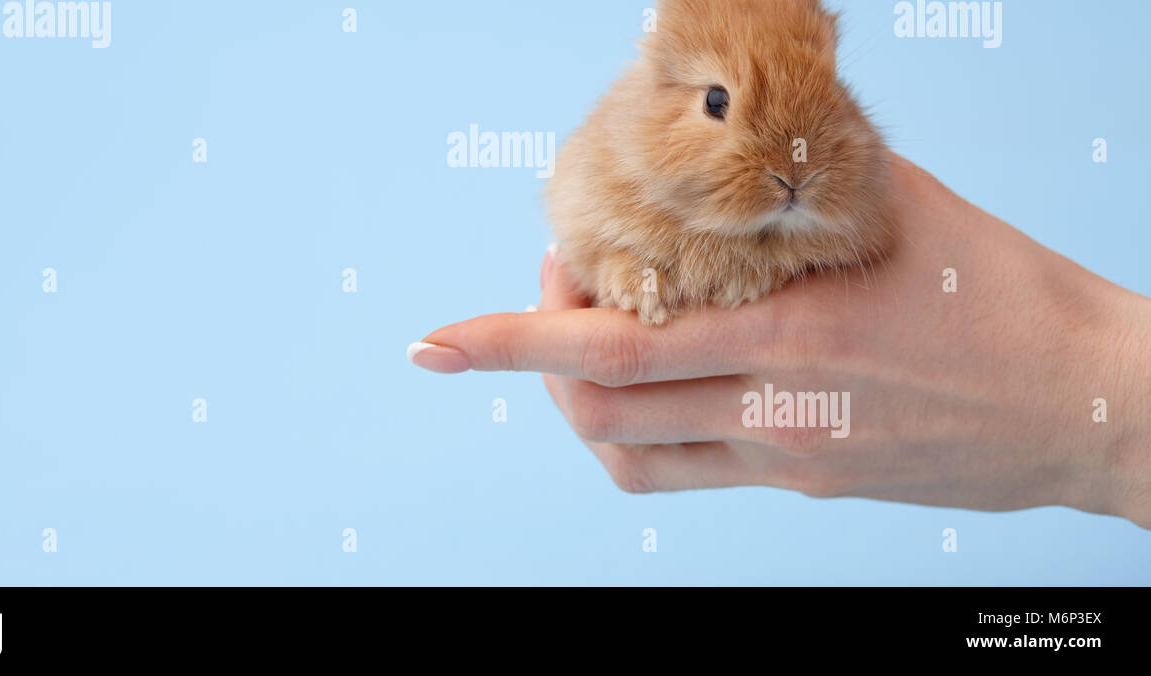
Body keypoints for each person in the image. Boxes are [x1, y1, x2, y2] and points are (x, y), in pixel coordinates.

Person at [407, 153, 1151, 528]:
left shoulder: (837, 171)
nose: (790, 163)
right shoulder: (617, 165)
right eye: (719, 104)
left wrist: (1089, 398)